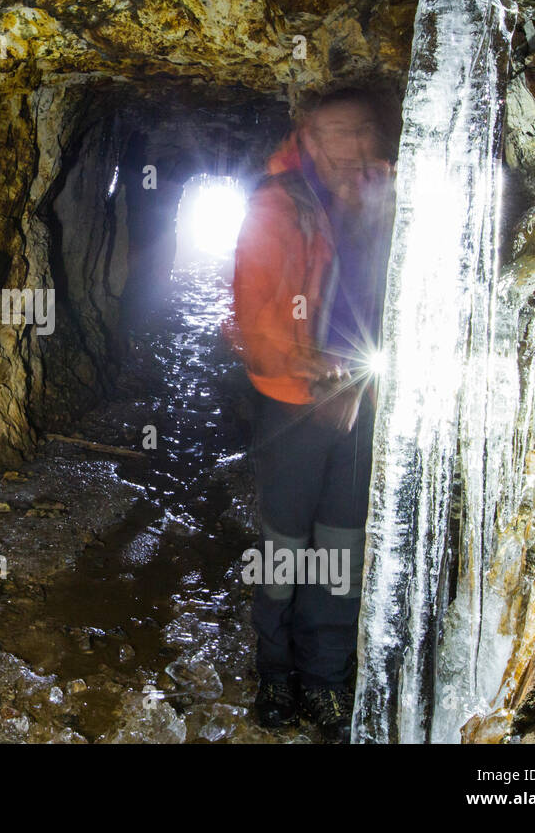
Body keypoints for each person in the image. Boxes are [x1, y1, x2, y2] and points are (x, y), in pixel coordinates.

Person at [229, 86, 396, 742]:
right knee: (286, 547)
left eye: (363, 129)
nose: (354, 145)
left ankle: (325, 679)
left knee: (343, 548)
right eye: (339, 131)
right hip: (295, 407)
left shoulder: (386, 201)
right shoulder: (278, 205)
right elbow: (255, 312)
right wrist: (311, 363)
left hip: (366, 405)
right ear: (310, 136)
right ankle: (276, 672)